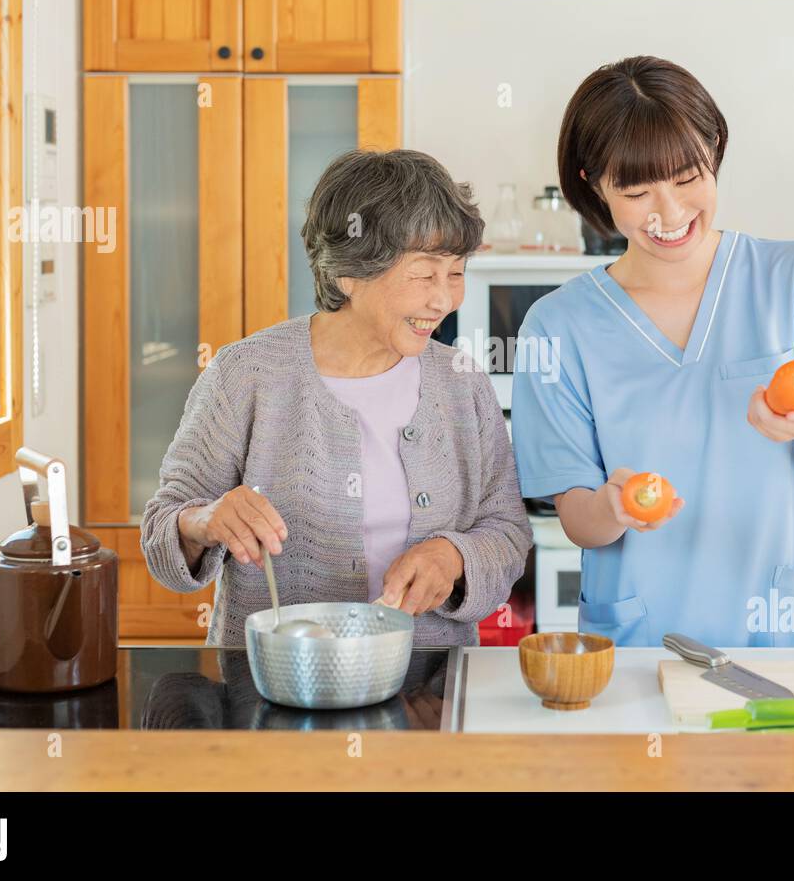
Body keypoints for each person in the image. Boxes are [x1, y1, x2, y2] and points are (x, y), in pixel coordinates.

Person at [510, 56, 794, 647]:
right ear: (593, 183)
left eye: (688, 178)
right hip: (647, 643)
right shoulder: (558, 326)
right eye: (636, 190)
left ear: (714, 148)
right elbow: (581, 523)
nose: (670, 212)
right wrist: (613, 506)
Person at [142, 149, 532, 646]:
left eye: (456, 272)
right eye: (423, 273)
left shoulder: (462, 382)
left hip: (428, 683)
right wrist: (203, 521)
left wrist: (453, 557)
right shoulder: (246, 374)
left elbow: (507, 530)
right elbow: (162, 534)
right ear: (350, 272)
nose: (445, 299)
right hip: (279, 683)